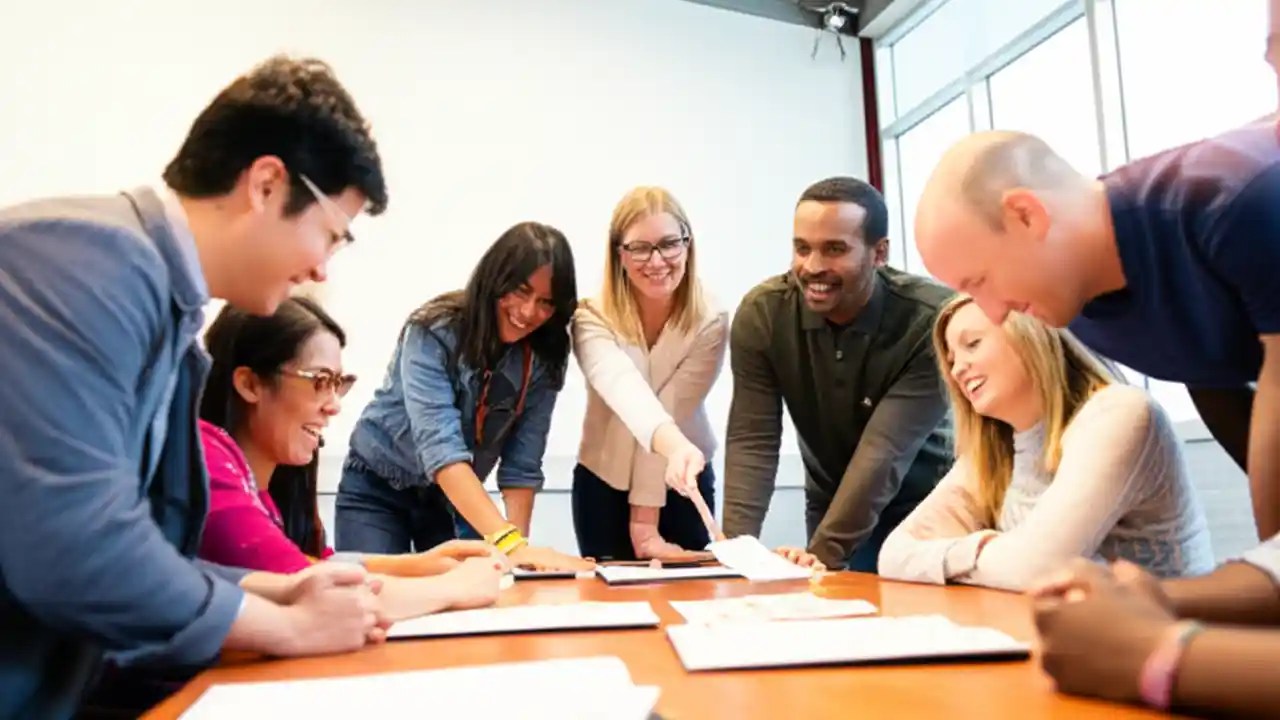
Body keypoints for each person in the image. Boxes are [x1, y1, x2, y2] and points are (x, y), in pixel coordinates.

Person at [0, 55, 392, 719]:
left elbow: (151, 556)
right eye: (330, 235)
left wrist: (274, 594)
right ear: (267, 185)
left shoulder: (166, 314)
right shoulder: (86, 261)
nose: (322, 270)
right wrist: (287, 627)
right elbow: (76, 548)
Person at [913, 123, 1280, 543]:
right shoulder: (1075, 310)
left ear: (1026, 215)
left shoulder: (1228, 199)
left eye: (981, 281)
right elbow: (1211, 377)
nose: (993, 314)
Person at [198, 297, 506, 620]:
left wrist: (419, 564)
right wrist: (457, 588)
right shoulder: (209, 463)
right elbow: (309, 588)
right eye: (319, 382)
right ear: (250, 384)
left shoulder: (263, 489)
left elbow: (311, 562)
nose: (333, 405)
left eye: (337, 384)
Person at [878, 295, 1213, 591]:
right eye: (950, 360)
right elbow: (893, 555)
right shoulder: (992, 450)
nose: (957, 370)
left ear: (1029, 334)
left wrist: (956, 556)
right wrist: (983, 549)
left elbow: (1036, 570)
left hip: (1168, 647)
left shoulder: (1120, 413)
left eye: (973, 344)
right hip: (1069, 641)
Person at [722, 176, 954, 571]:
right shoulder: (764, 314)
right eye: (802, 248)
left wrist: (822, 555)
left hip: (926, 507)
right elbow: (753, 439)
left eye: (834, 249)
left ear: (879, 253)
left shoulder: (931, 320)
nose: (813, 267)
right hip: (831, 498)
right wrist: (734, 553)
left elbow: (884, 453)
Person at [336, 222, 591, 571]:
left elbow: (522, 466)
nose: (530, 312)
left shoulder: (544, 357)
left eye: (546, 302)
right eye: (520, 290)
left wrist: (520, 554)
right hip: (378, 485)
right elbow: (441, 450)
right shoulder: (433, 330)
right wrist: (510, 544)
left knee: (482, 592)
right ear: (494, 280)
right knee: (372, 594)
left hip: (451, 498)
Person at [571, 186, 728, 561]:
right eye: (640, 248)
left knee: (693, 608)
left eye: (669, 244)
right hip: (605, 485)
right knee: (612, 611)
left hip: (682, 484)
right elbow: (627, 393)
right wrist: (644, 526)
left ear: (687, 246)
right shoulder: (590, 317)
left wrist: (646, 519)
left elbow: (670, 406)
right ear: (618, 255)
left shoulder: (712, 320)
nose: (657, 261)